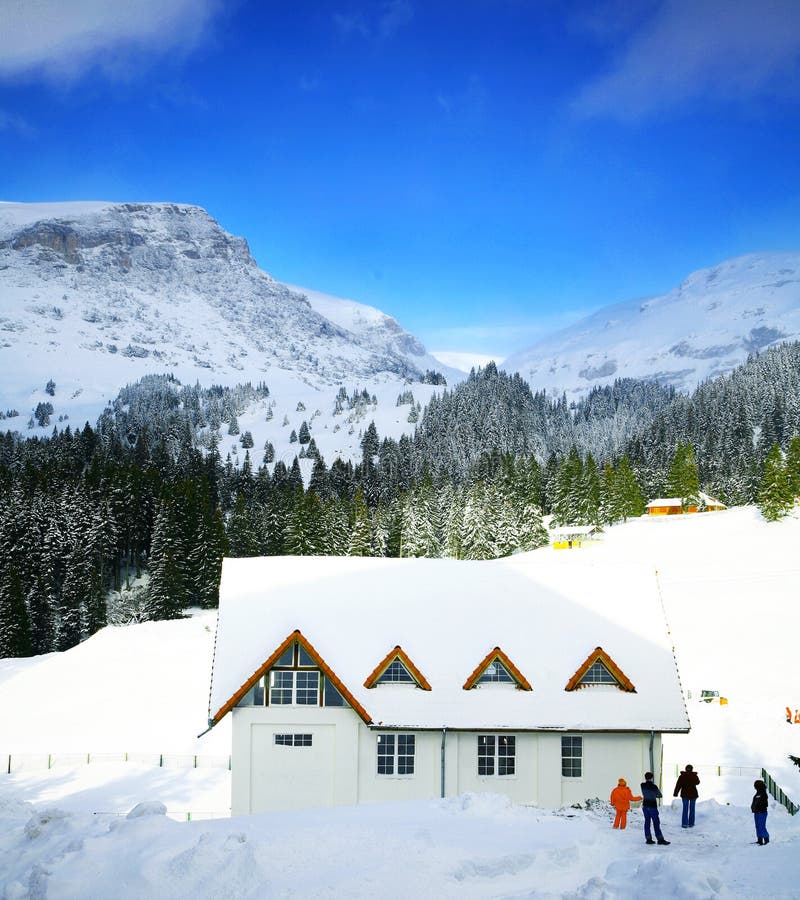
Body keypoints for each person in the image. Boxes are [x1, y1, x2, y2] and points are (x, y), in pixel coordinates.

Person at [640, 772, 670, 845]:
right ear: (652, 778)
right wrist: (654, 795)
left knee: (647, 822)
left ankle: (648, 839)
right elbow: (660, 795)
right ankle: (660, 839)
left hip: (645, 806)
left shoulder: (642, 785)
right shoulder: (654, 786)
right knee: (656, 822)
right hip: (652, 806)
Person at [673, 763, 700, 828]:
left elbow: (678, 785)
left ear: (685, 769)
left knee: (685, 809)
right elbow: (698, 782)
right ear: (692, 769)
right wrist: (694, 775)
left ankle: (684, 824)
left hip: (684, 795)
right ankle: (691, 823)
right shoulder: (694, 775)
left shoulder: (682, 776)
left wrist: (675, 793)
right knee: (692, 809)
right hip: (693, 794)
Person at [751, 780, 770, 845]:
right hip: (757, 812)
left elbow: (765, 804)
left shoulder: (763, 793)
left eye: (755, 785)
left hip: (762, 812)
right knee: (757, 826)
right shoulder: (758, 793)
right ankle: (759, 840)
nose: (754, 787)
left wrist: (758, 807)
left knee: (761, 826)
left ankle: (766, 840)